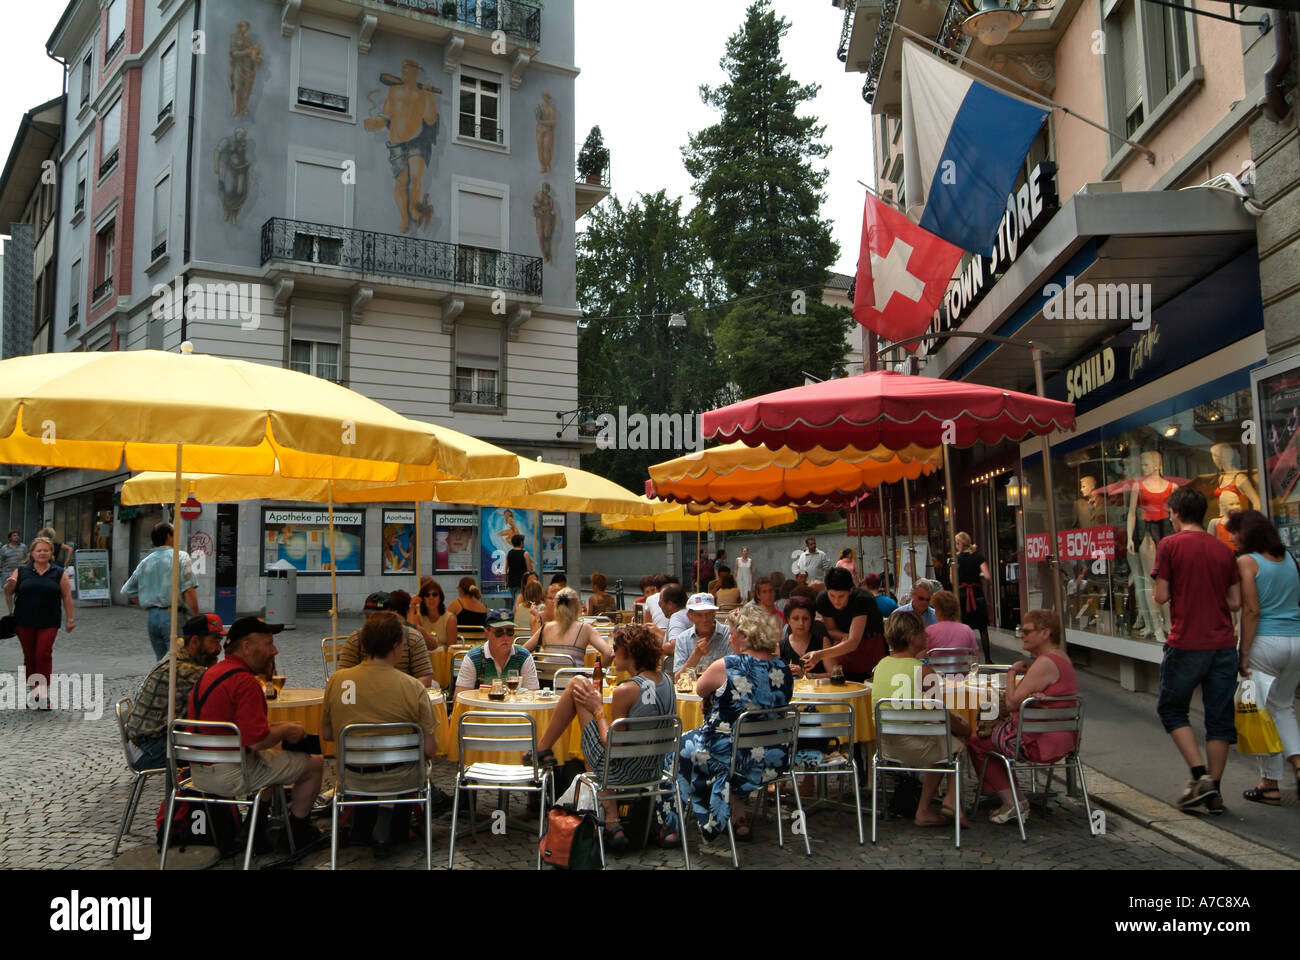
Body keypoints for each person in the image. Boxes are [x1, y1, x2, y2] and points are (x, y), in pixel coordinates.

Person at [530, 625, 677, 848]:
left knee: (577, 685)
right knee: (581, 689)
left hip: (622, 773)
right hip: (655, 770)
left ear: (629, 652)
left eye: (616, 648)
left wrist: (598, 709)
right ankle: (612, 821)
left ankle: (611, 819)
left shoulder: (626, 690)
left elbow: (612, 744)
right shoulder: (667, 681)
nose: (612, 651)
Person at [187, 617, 324, 847]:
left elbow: (246, 734)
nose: (275, 650)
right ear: (247, 648)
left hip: (198, 772)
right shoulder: (244, 682)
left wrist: (282, 730)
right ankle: (299, 832)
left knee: (272, 756)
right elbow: (256, 741)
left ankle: (255, 827)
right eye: (268, 644)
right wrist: (288, 729)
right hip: (230, 776)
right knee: (316, 764)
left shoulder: (210, 674)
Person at [322, 612, 443, 860]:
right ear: (397, 646)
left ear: (364, 645)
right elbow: (430, 749)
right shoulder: (412, 687)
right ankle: (385, 823)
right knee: (398, 762)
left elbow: (326, 733)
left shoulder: (338, 680)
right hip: (400, 777)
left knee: (387, 760)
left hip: (352, 775)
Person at [1152, 487, 1241, 813]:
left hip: (1187, 641)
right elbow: (1234, 602)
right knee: (1219, 719)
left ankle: (1199, 775)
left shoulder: (1170, 545)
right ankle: (1213, 792)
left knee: (1172, 709)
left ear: (1175, 513)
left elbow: (1160, 596)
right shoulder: (1223, 550)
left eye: (1170, 514)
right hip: (1222, 644)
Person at [674, 605, 793, 841]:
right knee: (736, 747)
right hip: (772, 755)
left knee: (679, 747)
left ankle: (671, 825)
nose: (730, 638)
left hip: (729, 754)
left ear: (745, 635)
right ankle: (740, 819)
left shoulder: (726, 665)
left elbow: (700, 689)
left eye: (732, 633)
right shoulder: (783, 668)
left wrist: (712, 698)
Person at [966, 609, 1077, 824]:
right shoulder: (1062, 659)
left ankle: (1013, 800)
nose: (1021, 635)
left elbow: (1011, 702)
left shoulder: (1045, 663)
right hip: (1062, 740)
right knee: (990, 732)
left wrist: (1011, 673)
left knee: (975, 741)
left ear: (1045, 633)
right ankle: (1005, 794)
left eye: (1026, 631)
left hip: (1036, 743)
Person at [1224, 509, 1300, 806]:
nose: (1231, 537)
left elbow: (1252, 611)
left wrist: (1243, 653)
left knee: (1259, 712)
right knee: (1283, 708)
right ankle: (1294, 767)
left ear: (1249, 534)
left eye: (1235, 532)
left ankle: (1269, 785)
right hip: (1296, 640)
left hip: (1265, 643)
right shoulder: (1290, 560)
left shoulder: (1247, 562)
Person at [872, 610, 970, 825]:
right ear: (910, 637)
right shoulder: (924, 672)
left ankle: (940, 805)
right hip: (916, 748)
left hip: (887, 746)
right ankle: (942, 803)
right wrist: (965, 730)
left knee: (943, 741)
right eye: (921, 633)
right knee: (955, 743)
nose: (926, 636)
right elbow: (941, 714)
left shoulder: (880, 666)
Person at [124, 614, 225, 771]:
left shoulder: (178, 654)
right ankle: (202, 791)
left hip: (145, 743)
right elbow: (224, 692)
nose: (219, 649)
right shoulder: (183, 669)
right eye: (215, 642)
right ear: (195, 641)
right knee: (220, 752)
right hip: (148, 750)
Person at [4, 537, 75, 709]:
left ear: (51, 553)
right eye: (39, 550)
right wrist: (8, 589)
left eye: (46, 550)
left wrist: (70, 619)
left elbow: (67, 596)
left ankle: (43, 694)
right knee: (29, 657)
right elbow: (8, 592)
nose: (42, 553)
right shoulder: (21, 571)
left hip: (49, 620)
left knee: (43, 654)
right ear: (32, 553)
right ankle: (33, 693)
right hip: (24, 621)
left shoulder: (58, 573)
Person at [121, 521, 199, 661]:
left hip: (153, 617)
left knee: (161, 662)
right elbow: (188, 591)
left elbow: (127, 590)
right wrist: (196, 619)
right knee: (178, 661)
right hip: (173, 616)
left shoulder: (146, 562)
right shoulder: (180, 557)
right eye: (175, 533)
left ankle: (163, 683)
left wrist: (150, 603)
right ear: (169, 536)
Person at [801, 566, 886, 682]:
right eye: (832, 595)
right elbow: (831, 630)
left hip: (871, 648)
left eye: (841, 596)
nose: (836, 601)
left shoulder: (862, 599)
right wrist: (843, 637)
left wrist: (819, 655)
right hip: (842, 650)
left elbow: (853, 642)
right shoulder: (823, 600)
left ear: (851, 590)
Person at [338, 594, 435, 688]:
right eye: (368, 617)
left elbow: (425, 677)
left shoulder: (413, 638)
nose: (372, 621)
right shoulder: (355, 639)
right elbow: (344, 679)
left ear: (395, 615)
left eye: (378, 617)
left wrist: (403, 695)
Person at [454, 609, 540, 694]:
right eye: (499, 632)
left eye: (509, 632)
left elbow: (533, 695)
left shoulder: (524, 656)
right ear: (487, 634)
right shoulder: (474, 658)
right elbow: (460, 697)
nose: (505, 637)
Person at [523, 586, 612, 667]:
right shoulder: (585, 629)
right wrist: (598, 675)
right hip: (575, 682)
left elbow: (522, 652)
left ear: (556, 606)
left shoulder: (546, 628)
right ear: (577, 606)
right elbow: (609, 654)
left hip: (545, 682)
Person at [671, 592, 733, 681]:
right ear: (689, 616)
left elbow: (735, 671)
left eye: (708, 614)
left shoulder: (730, 634)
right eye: (699, 615)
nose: (704, 619)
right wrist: (695, 656)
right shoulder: (682, 638)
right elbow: (677, 679)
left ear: (714, 613)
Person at [955, 532, 993, 662]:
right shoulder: (978, 556)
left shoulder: (955, 559)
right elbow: (987, 576)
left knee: (964, 628)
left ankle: (968, 660)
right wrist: (978, 575)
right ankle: (988, 659)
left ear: (960, 543)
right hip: (976, 593)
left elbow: (951, 579)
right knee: (983, 628)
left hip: (962, 595)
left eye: (956, 543)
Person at [926, 590, 981, 667]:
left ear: (939, 611)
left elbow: (923, 657)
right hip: (962, 677)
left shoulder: (929, 631)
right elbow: (976, 658)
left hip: (936, 677)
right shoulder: (967, 630)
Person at [779, 595, 828, 678]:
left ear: (811, 620)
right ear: (788, 620)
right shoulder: (779, 647)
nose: (801, 623)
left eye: (805, 619)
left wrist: (805, 675)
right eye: (796, 618)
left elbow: (834, 674)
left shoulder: (823, 642)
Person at [414, 576, 457, 650]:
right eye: (427, 595)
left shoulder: (450, 619)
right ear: (423, 599)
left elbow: (451, 649)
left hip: (443, 659)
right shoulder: (418, 617)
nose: (431, 598)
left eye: (434, 594)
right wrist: (412, 607)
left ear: (440, 598)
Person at [505, 534, 533, 609]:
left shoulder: (509, 553)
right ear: (521, 542)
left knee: (515, 600)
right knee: (518, 603)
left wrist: (506, 582)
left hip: (511, 582)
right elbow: (529, 570)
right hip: (521, 583)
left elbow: (505, 570)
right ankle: (515, 617)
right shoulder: (525, 554)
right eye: (523, 541)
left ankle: (515, 617)